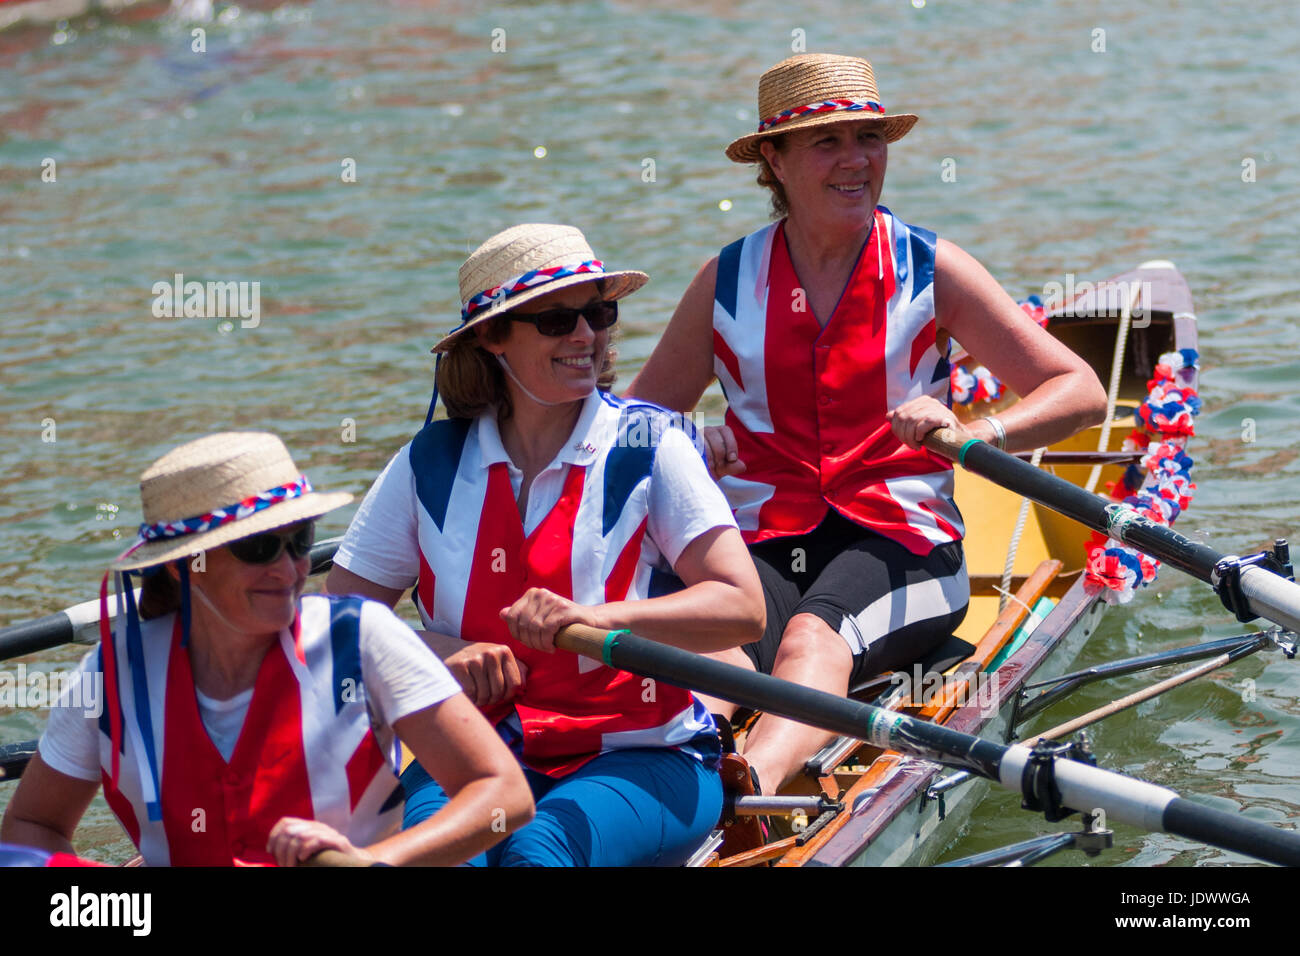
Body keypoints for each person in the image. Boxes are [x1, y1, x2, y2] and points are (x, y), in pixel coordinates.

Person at [627, 53, 1108, 795]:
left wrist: (975, 434)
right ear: (773, 162)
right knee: (709, 646)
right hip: (767, 538)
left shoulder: (930, 266)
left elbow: (1078, 389)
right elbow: (632, 430)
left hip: (904, 542)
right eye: (828, 142)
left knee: (813, 637)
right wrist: (684, 441)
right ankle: (663, 781)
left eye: (870, 138)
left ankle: (751, 786)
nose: (857, 160)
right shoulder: (724, 281)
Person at [326, 223, 765, 866]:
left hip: (643, 751)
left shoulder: (650, 444)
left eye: (598, 312)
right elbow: (341, 627)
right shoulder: (430, 463)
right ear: (492, 338)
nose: (586, 335)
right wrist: (438, 652)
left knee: (538, 852)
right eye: (558, 320)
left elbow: (743, 607)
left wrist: (597, 619)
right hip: (477, 747)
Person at [1, 432, 533, 866]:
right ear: (184, 565)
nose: (290, 569)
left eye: (299, 539)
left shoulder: (364, 638)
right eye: (258, 547)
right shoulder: (113, 674)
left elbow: (503, 793)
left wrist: (376, 863)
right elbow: (29, 831)